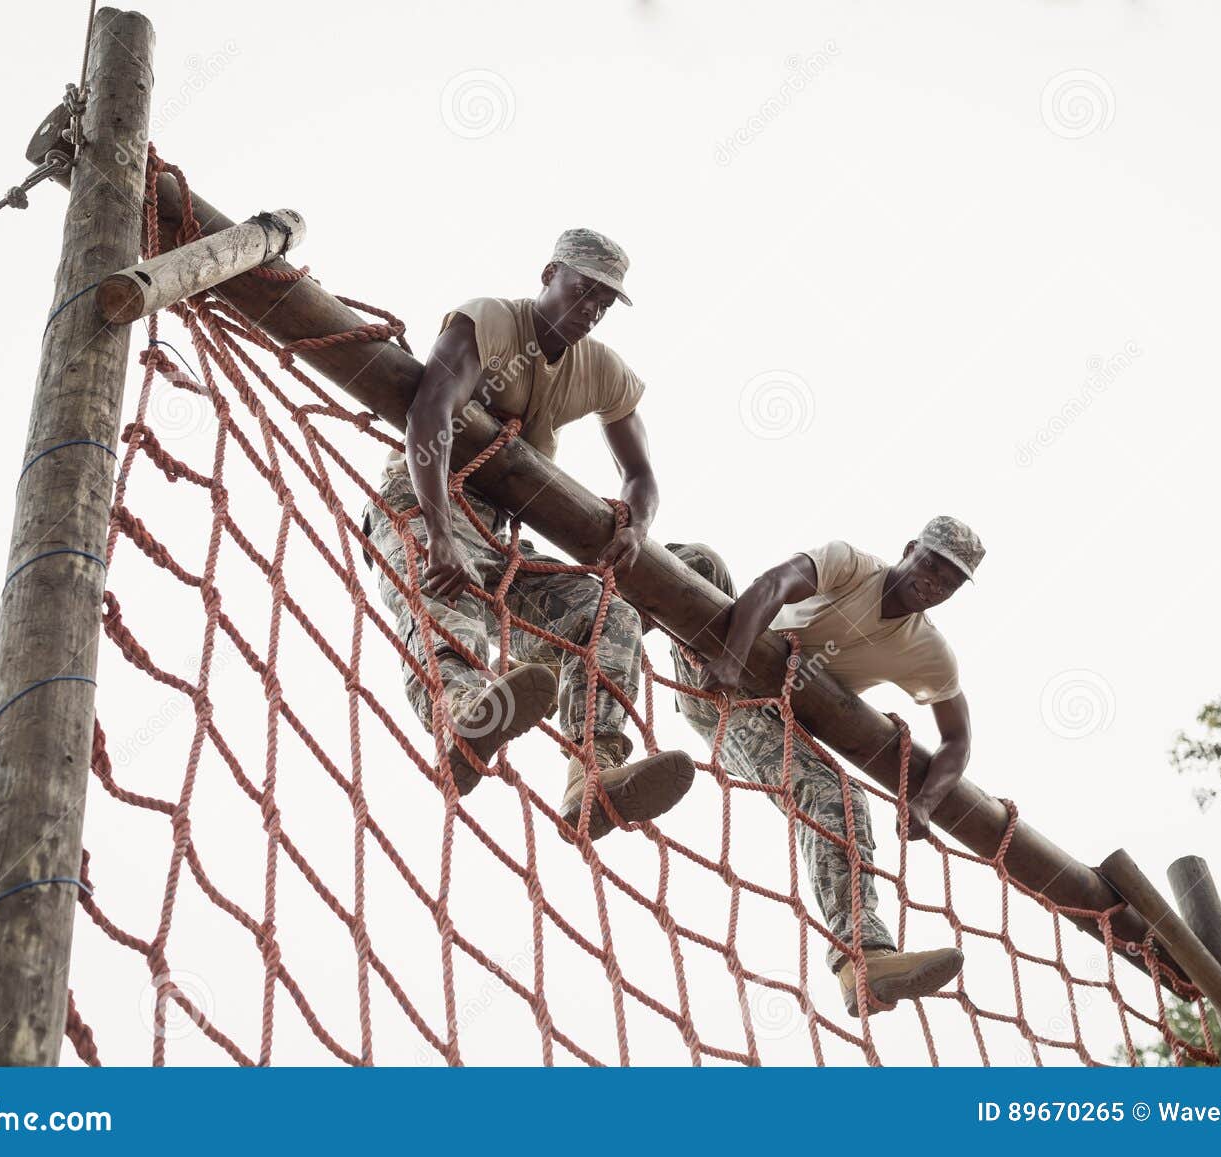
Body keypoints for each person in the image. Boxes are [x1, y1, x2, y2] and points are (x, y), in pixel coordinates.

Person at [365, 227, 693, 838]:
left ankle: (594, 772)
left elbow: (641, 473)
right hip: (423, 502)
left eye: (603, 302)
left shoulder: (599, 369)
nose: (590, 311)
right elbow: (430, 413)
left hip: (499, 538)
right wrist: (439, 531)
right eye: (581, 292)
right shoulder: (490, 321)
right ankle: (460, 717)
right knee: (443, 590)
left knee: (607, 615)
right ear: (549, 276)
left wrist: (638, 526)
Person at [666, 516, 983, 1013]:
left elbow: (958, 739)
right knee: (699, 558)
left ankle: (865, 959)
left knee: (841, 797)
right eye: (932, 565)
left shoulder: (928, 652)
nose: (935, 583)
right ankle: (599, 648)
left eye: (951, 581)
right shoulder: (850, 566)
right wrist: (731, 659)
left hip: (768, 718)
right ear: (909, 549)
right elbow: (774, 583)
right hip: (721, 669)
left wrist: (924, 802)